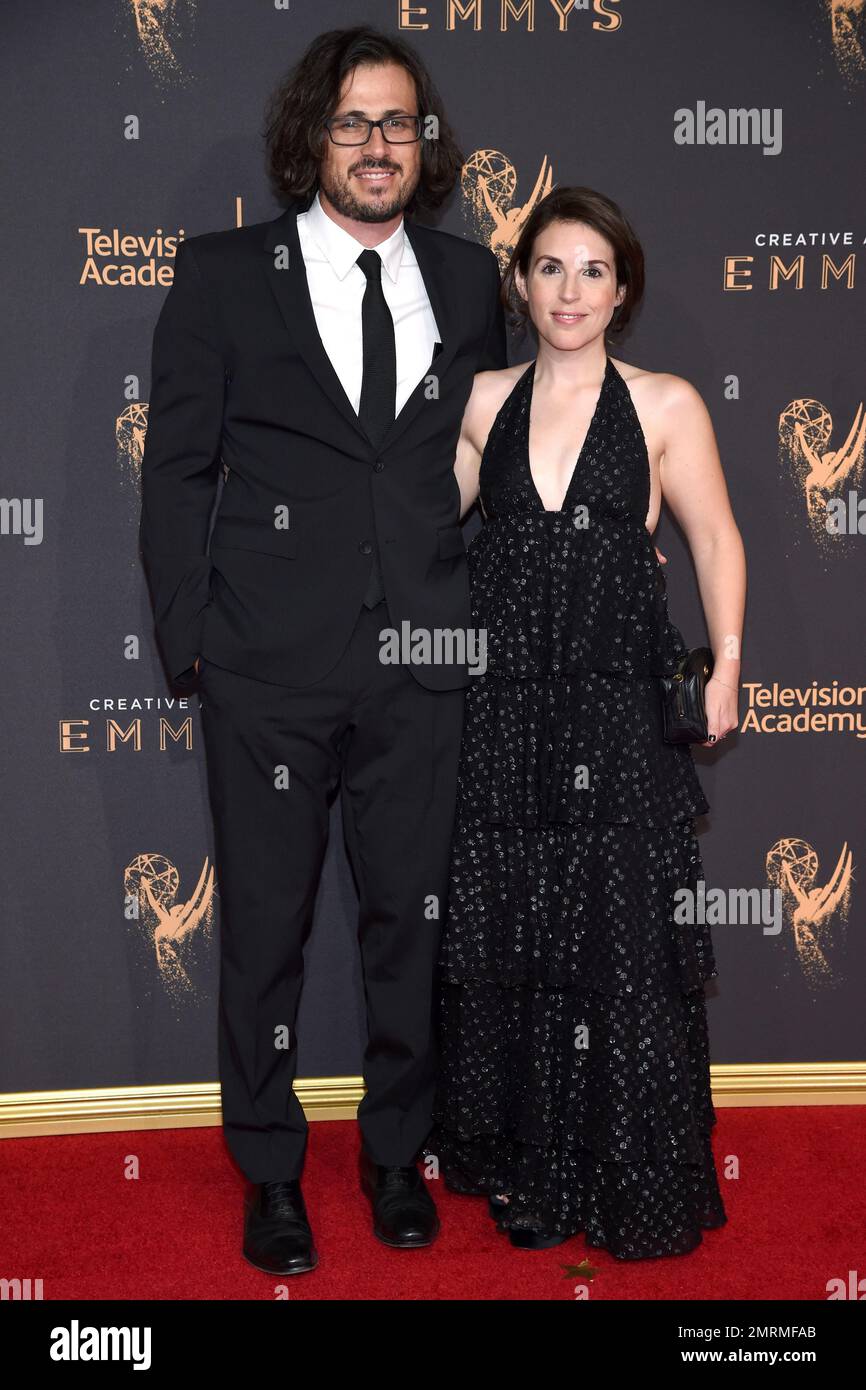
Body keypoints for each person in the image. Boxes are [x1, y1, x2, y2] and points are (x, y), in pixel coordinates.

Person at [139, 25, 506, 1275]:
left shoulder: (467, 285)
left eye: (397, 123)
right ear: (310, 139)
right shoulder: (223, 273)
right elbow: (178, 466)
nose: (376, 145)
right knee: (266, 925)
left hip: (418, 663)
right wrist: (191, 641)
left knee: (409, 919)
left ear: (427, 144)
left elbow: (477, 463)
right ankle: (269, 1170)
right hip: (265, 664)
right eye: (352, 122)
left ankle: (397, 1156)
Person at [426, 185, 746, 1258]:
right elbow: (423, 531)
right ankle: (532, 1164)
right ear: (519, 284)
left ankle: (621, 1178)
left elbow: (713, 539)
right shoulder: (479, 402)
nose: (570, 290)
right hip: (504, 710)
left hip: (614, 712)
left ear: (622, 290)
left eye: (592, 270)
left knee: (613, 938)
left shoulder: (664, 405)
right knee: (517, 930)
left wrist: (727, 664)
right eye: (550, 268)